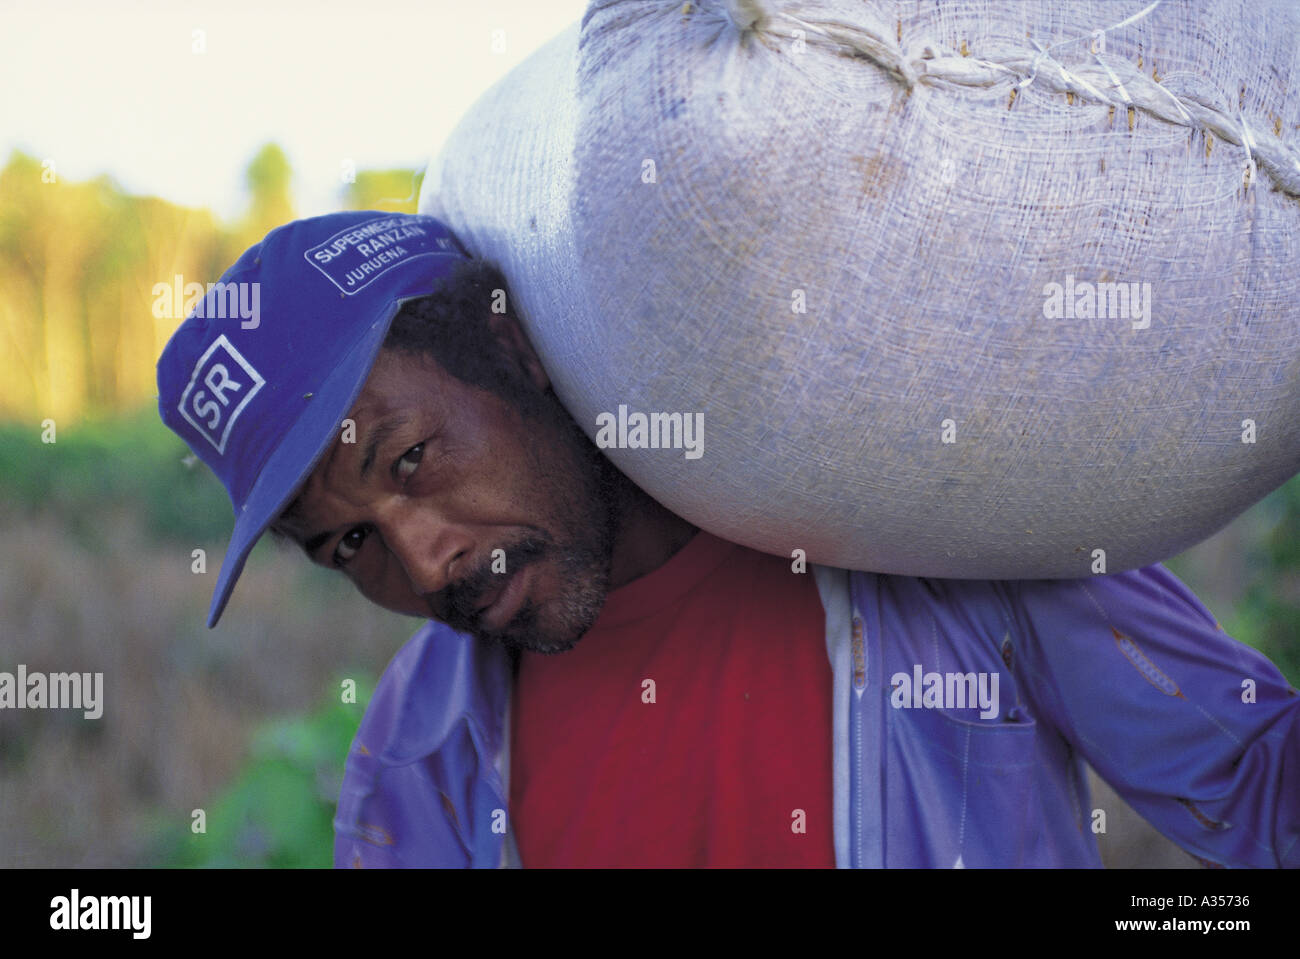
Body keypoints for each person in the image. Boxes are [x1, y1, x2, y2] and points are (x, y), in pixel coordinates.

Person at [157, 211, 1300, 868]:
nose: (420, 560)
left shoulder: (937, 539)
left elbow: (1258, 787)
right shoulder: (418, 754)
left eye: (409, 461)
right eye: (346, 546)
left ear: (512, 348)